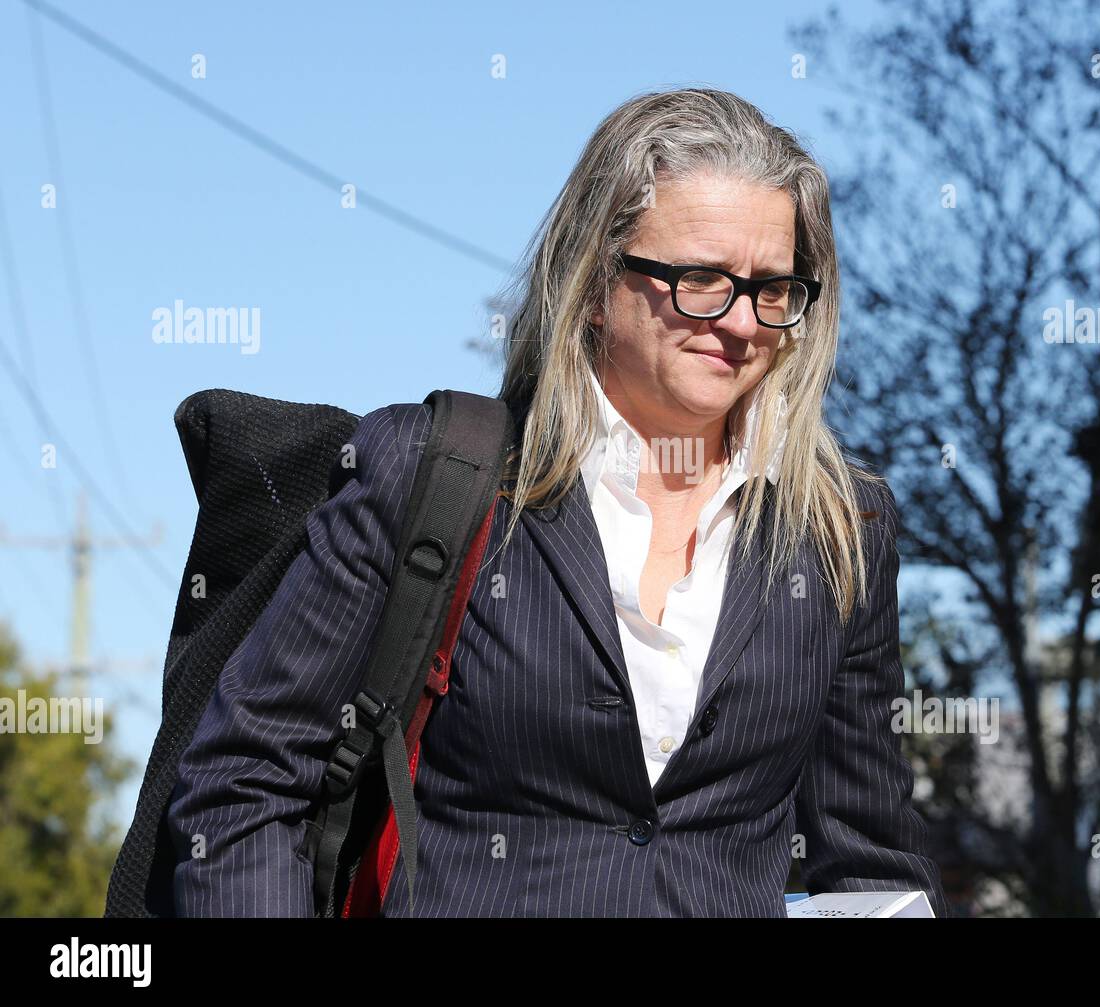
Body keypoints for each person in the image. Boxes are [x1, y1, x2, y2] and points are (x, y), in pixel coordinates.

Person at [168, 86, 949, 918]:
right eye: (700, 279)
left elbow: (868, 863)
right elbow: (242, 790)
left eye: (770, 289)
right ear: (593, 280)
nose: (739, 322)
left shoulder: (842, 528)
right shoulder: (433, 473)